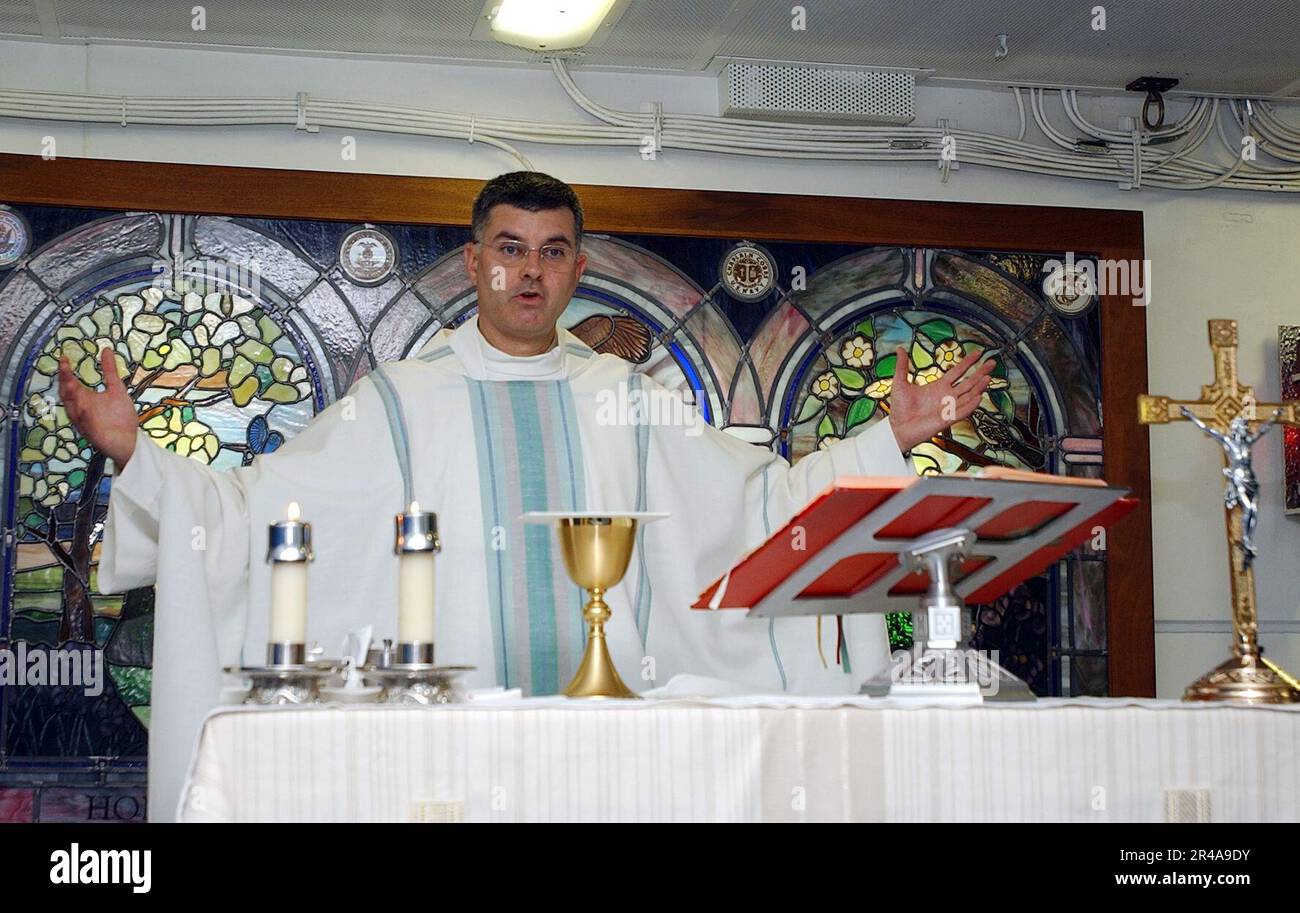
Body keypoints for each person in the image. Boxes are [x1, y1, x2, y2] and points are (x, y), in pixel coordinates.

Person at [58, 171, 993, 818]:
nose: (531, 271)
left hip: (608, 745)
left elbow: (754, 509)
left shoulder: (629, 402)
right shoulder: (395, 405)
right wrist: (138, 452)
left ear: (579, 269)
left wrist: (887, 436)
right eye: (510, 249)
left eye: (553, 252)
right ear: (474, 264)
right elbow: (254, 514)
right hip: (445, 750)